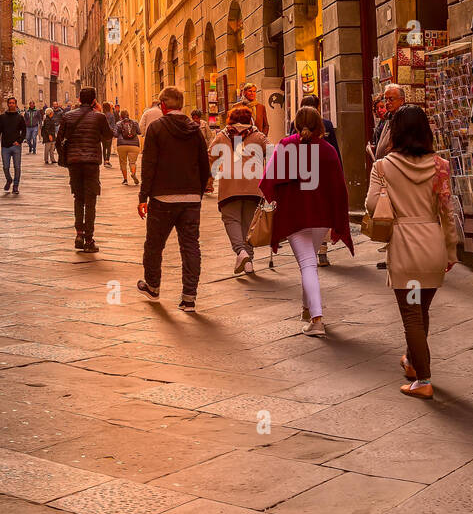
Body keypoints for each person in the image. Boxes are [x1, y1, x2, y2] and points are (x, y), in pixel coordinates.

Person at [366, 105, 458, 400]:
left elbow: (370, 206)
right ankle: (411, 360)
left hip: (405, 246)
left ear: (395, 133)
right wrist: (451, 250)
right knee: (421, 310)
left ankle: (424, 378)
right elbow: (448, 212)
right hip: (432, 245)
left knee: (412, 316)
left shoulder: (382, 167)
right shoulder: (440, 166)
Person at [259, 104, 353, 337]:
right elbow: (339, 189)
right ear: (319, 125)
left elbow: (267, 182)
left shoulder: (285, 146)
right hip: (320, 216)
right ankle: (306, 309)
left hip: (294, 214)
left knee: (307, 264)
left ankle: (317, 319)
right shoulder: (328, 150)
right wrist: (339, 220)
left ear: (295, 124)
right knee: (309, 262)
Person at [137, 85, 211, 311]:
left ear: (163, 106)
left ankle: (153, 286)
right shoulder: (195, 129)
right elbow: (204, 164)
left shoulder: (156, 128)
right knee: (190, 246)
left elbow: (148, 164)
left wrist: (143, 197)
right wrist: (197, 192)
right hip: (190, 198)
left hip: (162, 198)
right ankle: (189, 297)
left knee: (154, 244)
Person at [209, 104, 268, 276]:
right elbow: (272, 154)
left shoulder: (221, 136)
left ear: (231, 120)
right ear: (249, 119)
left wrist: (210, 178)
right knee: (249, 224)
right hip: (253, 185)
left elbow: (210, 156)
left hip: (230, 185)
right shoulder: (258, 136)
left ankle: (241, 253)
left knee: (231, 220)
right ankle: (248, 261)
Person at [55, 87, 113, 253]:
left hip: (74, 163)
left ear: (79, 99)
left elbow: (59, 141)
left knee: (78, 198)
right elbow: (108, 136)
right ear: (94, 100)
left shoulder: (67, 116)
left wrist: (65, 159)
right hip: (91, 162)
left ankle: (79, 235)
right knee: (91, 200)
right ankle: (89, 239)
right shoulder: (99, 117)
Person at [289, 94, 341, 266]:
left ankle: (307, 252)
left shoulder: (293, 126)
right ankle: (322, 251)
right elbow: (334, 150)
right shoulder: (326, 125)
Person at [0, 96, 27, 195]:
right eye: (10, 103)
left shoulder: (20, 117)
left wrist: (20, 141)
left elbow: (24, 130)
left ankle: (16, 186)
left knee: (17, 167)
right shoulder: (3, 117)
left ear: (16, 104)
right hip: (5, 146)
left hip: (16, 146)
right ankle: (9, 179)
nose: (11, 104)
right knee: (5, 167)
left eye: (13, 103)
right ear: (8, 104)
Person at [373, 84, 406, 159]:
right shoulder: (388, 118)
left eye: (391, 99)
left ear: (402, 100)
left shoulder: (404, 120)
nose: (387, 103)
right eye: (386, 99)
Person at [115, 108, 141, 184]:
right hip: (134, 145)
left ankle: (125, 180)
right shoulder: (135, 122)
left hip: (122, 145)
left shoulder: (118, 123)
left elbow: (116, 134)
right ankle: (133, 174)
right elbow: (139, 132)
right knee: (132, 162)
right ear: (128, 115)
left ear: (121, 117)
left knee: (123, 163)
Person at [101, 101, 116, 168]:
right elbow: (113, 125)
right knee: (109, 147)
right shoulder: (111, 115)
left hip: (102, 133)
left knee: (104, 147)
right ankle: (107, 160)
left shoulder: (101, 115)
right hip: (109, 133)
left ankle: (104, 161)